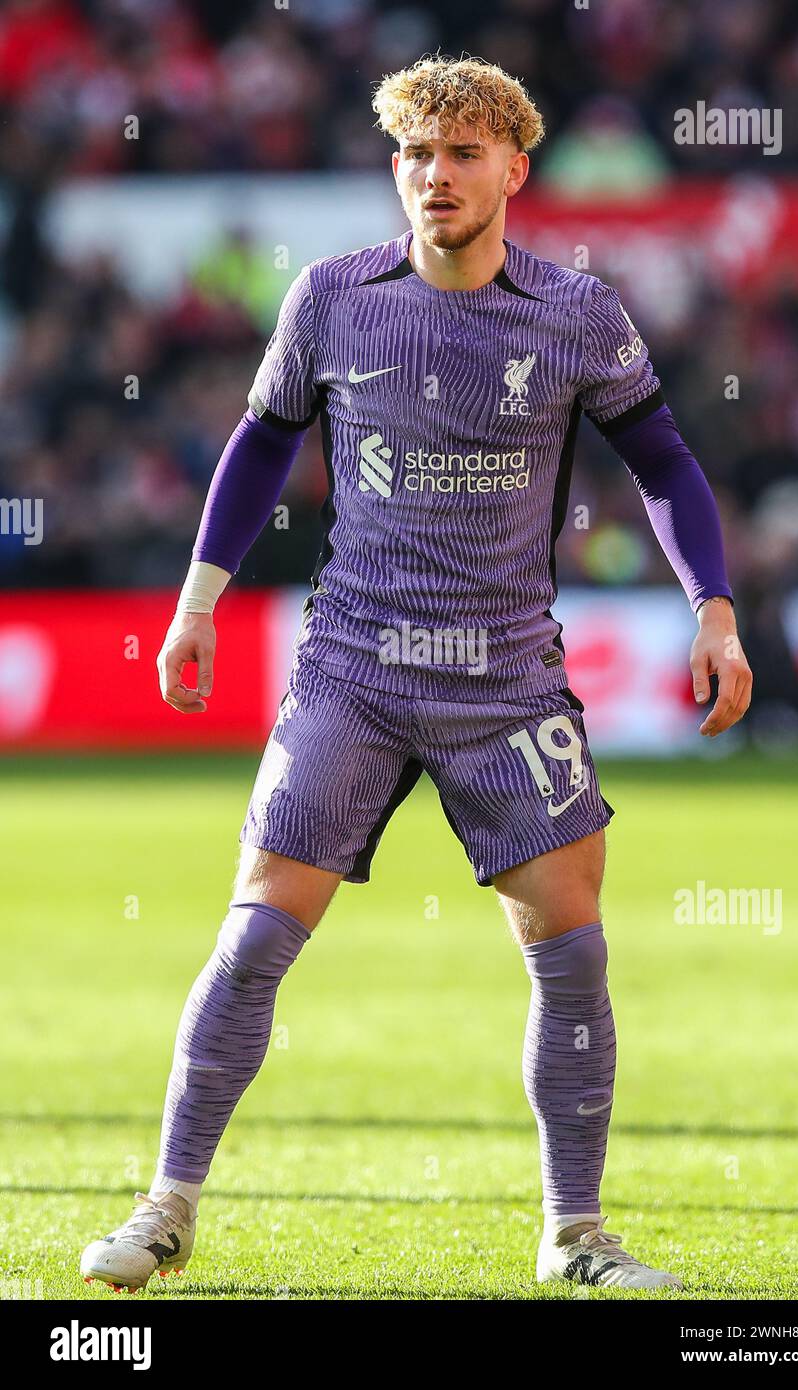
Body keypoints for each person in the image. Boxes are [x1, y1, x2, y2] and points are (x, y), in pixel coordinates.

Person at [81, 55, 752, 1295]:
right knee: (250, 940)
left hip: (505, 684)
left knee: (572, 955)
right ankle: (166, 1206)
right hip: (353, 670)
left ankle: (574, 1234)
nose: (432, 176)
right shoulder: (333, 300)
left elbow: (662, 460)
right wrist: (194, 604)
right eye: (412, 155)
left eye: (458, 153)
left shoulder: (575, 316)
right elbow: (258, 444)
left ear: (513, 168)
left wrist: (710, 608)